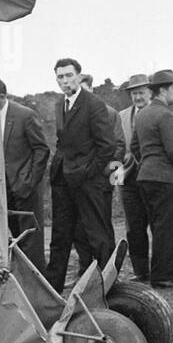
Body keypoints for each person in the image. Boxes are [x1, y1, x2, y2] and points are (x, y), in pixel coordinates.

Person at [46, 57, 119, 289]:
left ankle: (108, 288)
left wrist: (88, 172)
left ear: (79, 76)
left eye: (69, 75)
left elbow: (107, 146)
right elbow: (63, 141)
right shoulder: (60, 104)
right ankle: (53, 290)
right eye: (60, 77)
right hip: (64, 181)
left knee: (98, 235)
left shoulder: (94, 104)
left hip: (89, 182)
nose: (65, 81)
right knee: (60, 236)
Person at [130, 70, 173, 286]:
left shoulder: (143, 114)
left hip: (145, 176)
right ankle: (163, 276)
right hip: (165, 178)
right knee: (168, 228)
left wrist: (147, 161)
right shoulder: (165, 115)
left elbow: (134, 147)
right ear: (162, 90)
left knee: (157, 225)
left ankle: (160, 273)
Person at [0, 78, 50, 277]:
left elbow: (41, 150)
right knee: (11, 238)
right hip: (3, 191)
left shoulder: (24, 115)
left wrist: (29, 181)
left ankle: (37, 286)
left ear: (2, 96)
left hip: (25, 188)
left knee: (31, 240)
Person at [116, 73, 153, 281]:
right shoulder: (121, 117)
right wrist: (116, 179)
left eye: (141, 92)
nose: (138, 97)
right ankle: (141, 272)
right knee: (134, 227)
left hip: (153, 178)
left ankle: (160, 270)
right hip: (128, 181)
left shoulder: (159, 114)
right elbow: (114, 148)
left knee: (157, 225)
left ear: (150, 93)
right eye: (134, 93)